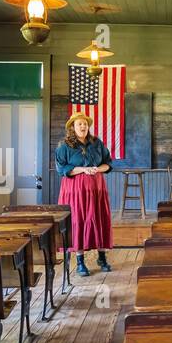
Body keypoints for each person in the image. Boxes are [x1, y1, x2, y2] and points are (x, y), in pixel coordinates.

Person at [55, 111, 113, 275]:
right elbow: (62, 169)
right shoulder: (64, 146)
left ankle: (102, 257)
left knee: (99, 218)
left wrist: (96, 169)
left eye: (85, 124)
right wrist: (83, 169)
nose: (83, 126)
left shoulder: (97, 143)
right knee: (78, 220)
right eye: (79, 124)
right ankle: (80, 261)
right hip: (75, 190)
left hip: (96, 188)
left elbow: (108, 163)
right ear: (72, 127)